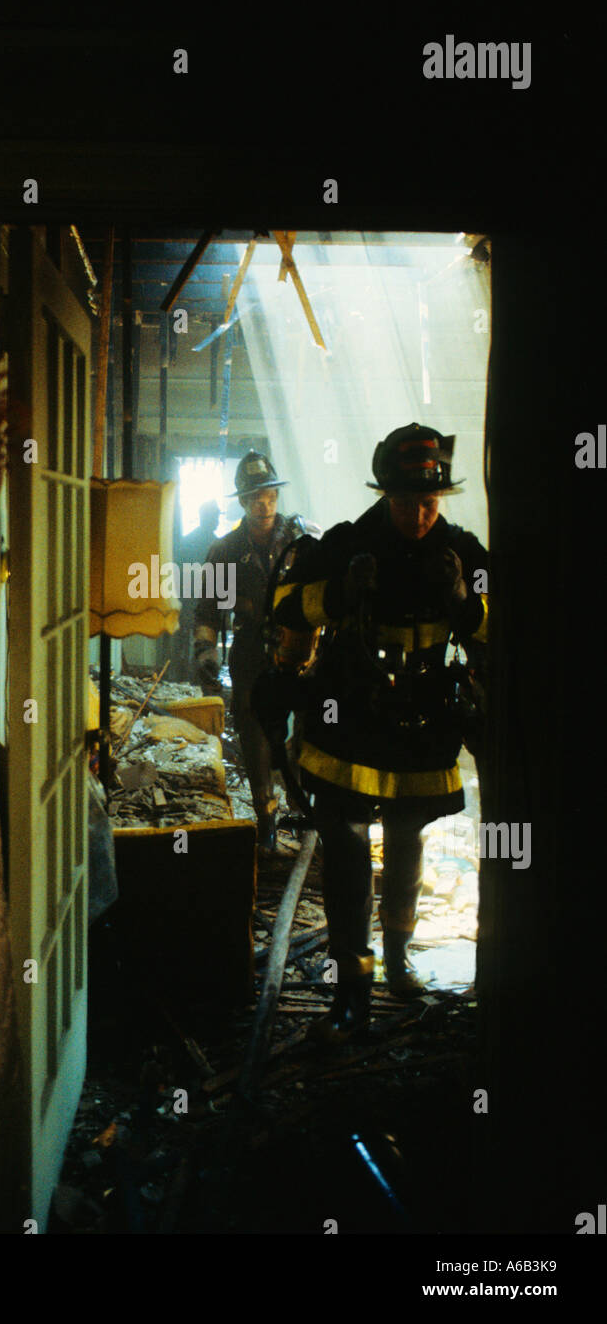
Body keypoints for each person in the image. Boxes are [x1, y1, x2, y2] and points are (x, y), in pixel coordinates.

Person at [258, 423, 488, 1033]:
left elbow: (500, 633)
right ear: (385, 492)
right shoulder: (348, 542)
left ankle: (398, 959)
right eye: (409, 499)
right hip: (348, 720)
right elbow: (284, 603)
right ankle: (351, 984)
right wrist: (336, 592)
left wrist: (466, 600)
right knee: (349, 847)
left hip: (423, 720)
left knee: (410, 837)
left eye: (431, 500)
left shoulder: (462, 550)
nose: (420, 513)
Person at [192, 451, 313, 852]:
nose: (264, 504)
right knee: (254, 733)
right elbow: (210, 609)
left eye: (269, 496)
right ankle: (267, 820)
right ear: (242, 502)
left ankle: (306, 813)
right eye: (255, 498)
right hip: (250, 654)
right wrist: (205, 648)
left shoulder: (302, 541)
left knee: (307, 731)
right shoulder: (226, 551)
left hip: (300, 652)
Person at [171, 500, 221, 682]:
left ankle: (188, 680)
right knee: (194, 648)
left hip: (197, 605)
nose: (216, 520)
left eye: (216, 516)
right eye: (214, 516)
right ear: (206, 518)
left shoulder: (213, 544)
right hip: (193, 604)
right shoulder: (218, 545)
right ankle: (187, 682)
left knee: (197, 649)